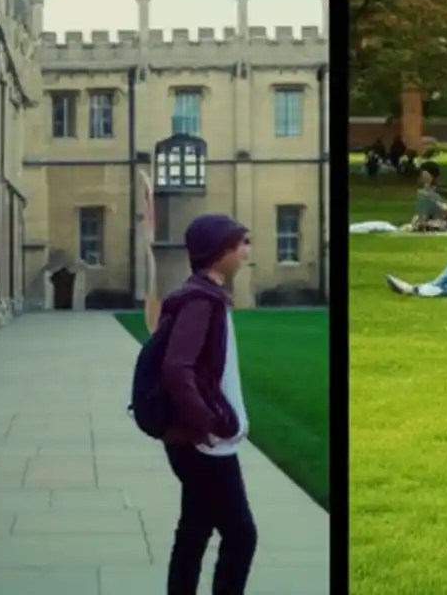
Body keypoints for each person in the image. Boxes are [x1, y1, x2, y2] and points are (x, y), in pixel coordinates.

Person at [140, 171, 257, 595]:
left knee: (195, 527)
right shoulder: (200, 303)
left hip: (194, 440)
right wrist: (207, 422)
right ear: (219, 252)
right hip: (200, 442)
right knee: (241, 534)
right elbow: (177, 368)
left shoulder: (204, 297)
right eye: (240, 244)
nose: (245, 251)